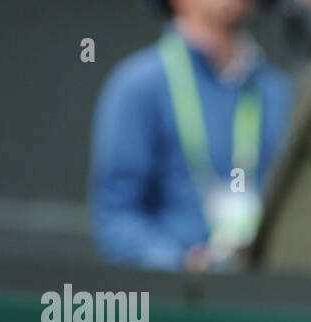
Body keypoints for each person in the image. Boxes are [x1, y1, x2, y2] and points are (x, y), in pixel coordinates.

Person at [89, 0, 293, 271]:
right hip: (177, 298)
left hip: (265, 292)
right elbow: (116, 216)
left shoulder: (280, 92)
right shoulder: (139, 84)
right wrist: (179, 264)